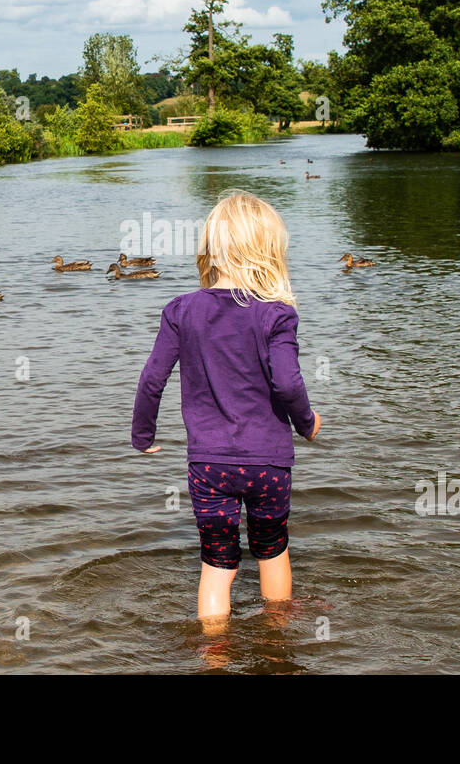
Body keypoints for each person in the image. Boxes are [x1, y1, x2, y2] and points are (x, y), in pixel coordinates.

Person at [130, 190, 321, 624]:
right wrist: (308, 423)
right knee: (272, 551)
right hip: (268, 461)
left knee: (217, 566)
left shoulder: (180, 309)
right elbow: (288, 382)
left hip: (209, 464)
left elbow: (152, 378)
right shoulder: (277, 314)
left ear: (212, 249)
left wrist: (143, 435)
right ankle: (276, 647)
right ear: (268, 251)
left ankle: (213, 657)